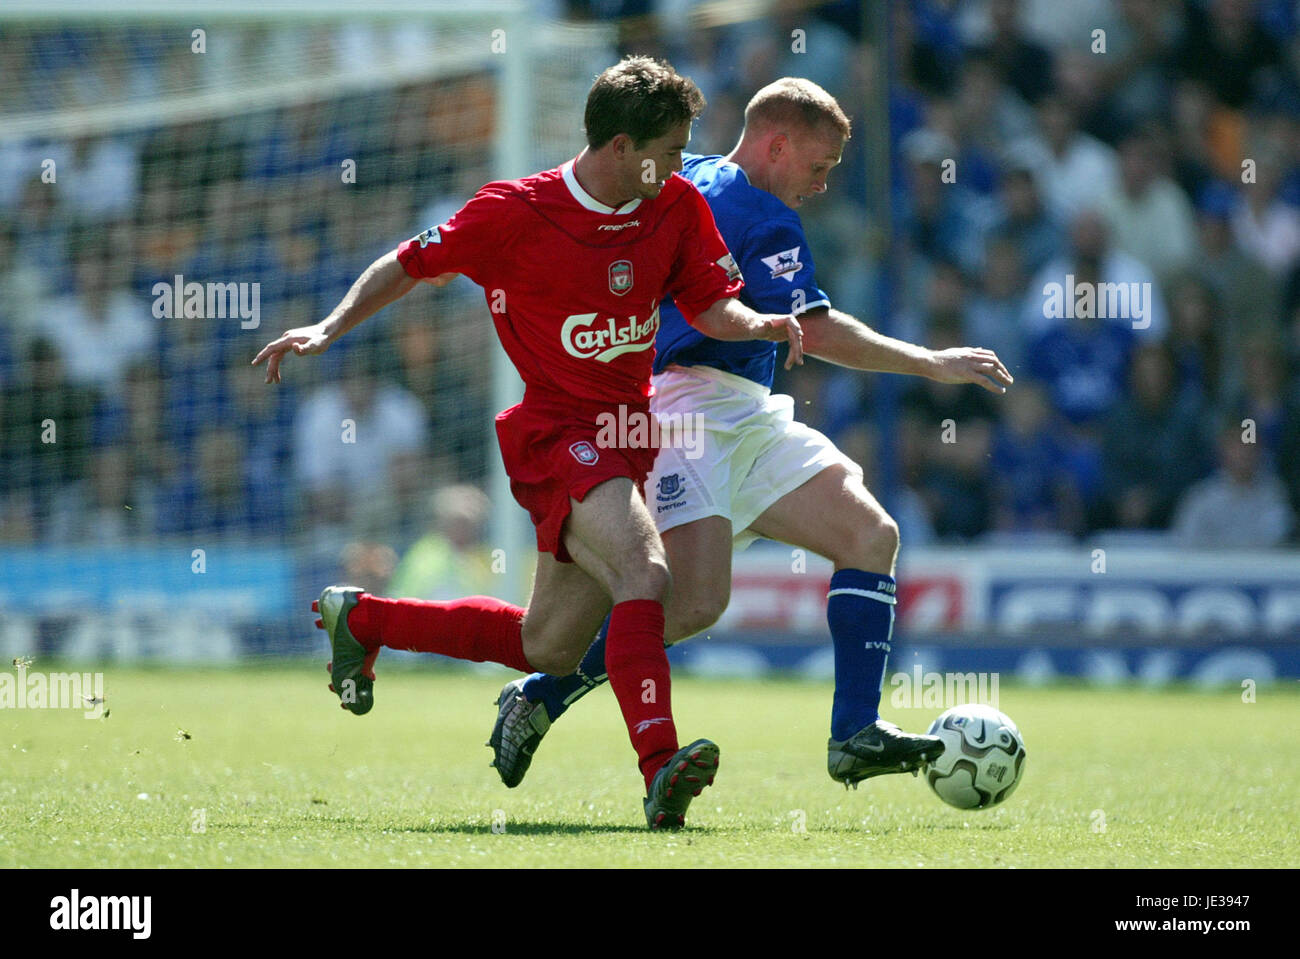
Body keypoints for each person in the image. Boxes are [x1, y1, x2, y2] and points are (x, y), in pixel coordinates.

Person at [252, 56, 803, 830]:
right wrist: (329, 326)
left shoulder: (674, 205)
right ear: (620, 146)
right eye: (671, 149)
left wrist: (762, 323)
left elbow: (713, 305)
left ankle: (362, 619)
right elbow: (408, 264)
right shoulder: (515, 211)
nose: (683, 164)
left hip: (627, 435)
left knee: (544, 644)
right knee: (647, 571)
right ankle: (660, 766)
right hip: (558, 433)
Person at [490, 78, 1012, 792]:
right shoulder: (753, 208)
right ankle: (538, 696)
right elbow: (820, 331)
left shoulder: (695, 172)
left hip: (746, 404)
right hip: (686, 405)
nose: (823, 185)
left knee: (870, 535)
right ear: (778, 144)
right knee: (694, 602)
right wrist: (930, 362)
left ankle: (854, 732)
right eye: (820, 166)